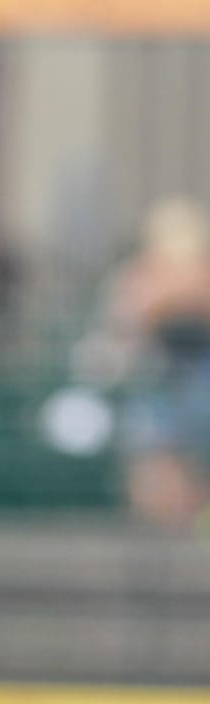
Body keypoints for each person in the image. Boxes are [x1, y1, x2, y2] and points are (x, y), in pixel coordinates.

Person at [72, 195, 210, 531]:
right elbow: (117, 337)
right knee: (151, 444)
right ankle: (161, 522)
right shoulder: (138, 280)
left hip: (197, 386)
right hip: (155, 383)